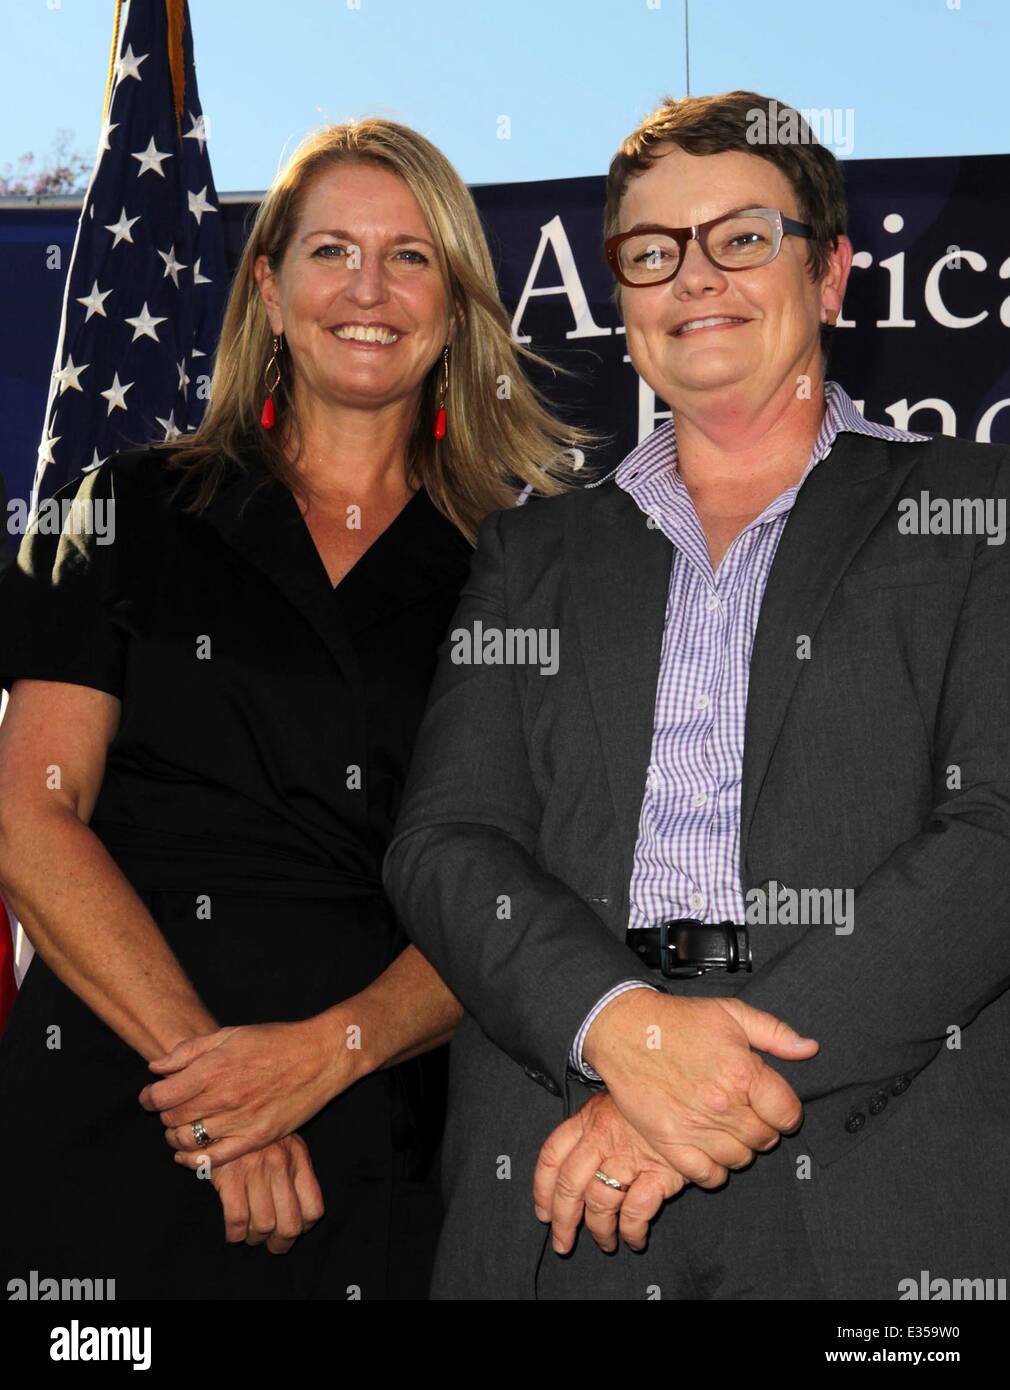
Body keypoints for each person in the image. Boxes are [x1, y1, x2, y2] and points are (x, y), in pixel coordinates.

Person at [381, 91, 1010, 1300]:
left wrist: (688, 1087)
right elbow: (446, 845)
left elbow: (992, 837)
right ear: (619, 298)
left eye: (740, 237)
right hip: (563, 1166)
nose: (693, 278)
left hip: (886, 1167)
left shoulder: (975, 511)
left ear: (828, 274)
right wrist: (618, 1023)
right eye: (652, 251)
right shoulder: (529, 556)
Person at [0, 118, 585, 1300]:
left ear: (458, 301)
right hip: (118, 1103)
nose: (368, 289)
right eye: (331, 252)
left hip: (384, 1135)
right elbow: (29, 818)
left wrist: (321, 1060)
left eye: (412, 256)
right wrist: (222, 1097)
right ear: (267, 286)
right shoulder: (126, 508)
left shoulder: (523, 567)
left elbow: (524, 894)